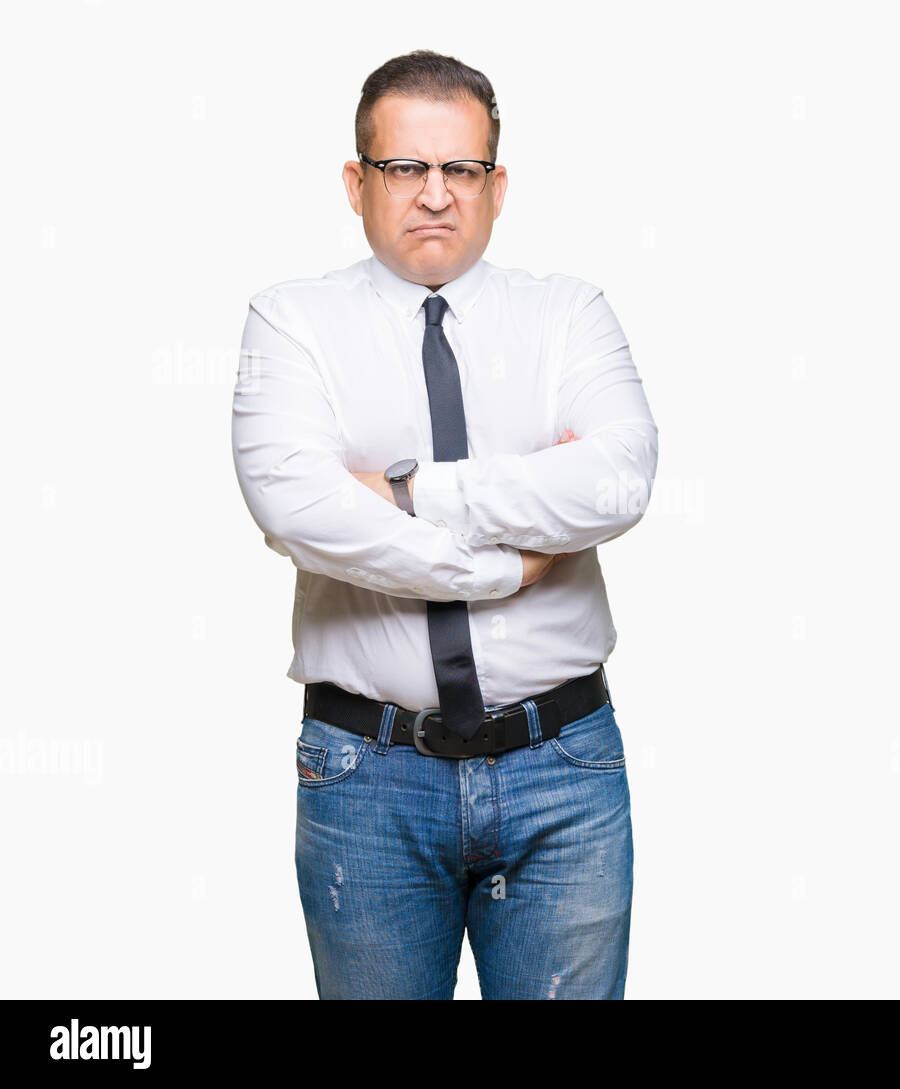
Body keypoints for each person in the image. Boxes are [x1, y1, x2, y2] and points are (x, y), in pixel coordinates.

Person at [230, 48, 658, 1000]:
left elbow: (619, 479)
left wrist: (411, 492)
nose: (434, 194)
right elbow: (299, 509)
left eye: (460, 169)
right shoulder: (292, 322)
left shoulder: (568, 315)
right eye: (404, 168)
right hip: (367, 777)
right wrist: (510, 566)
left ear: (496, 185)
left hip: (565, 770)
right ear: (357, 181)